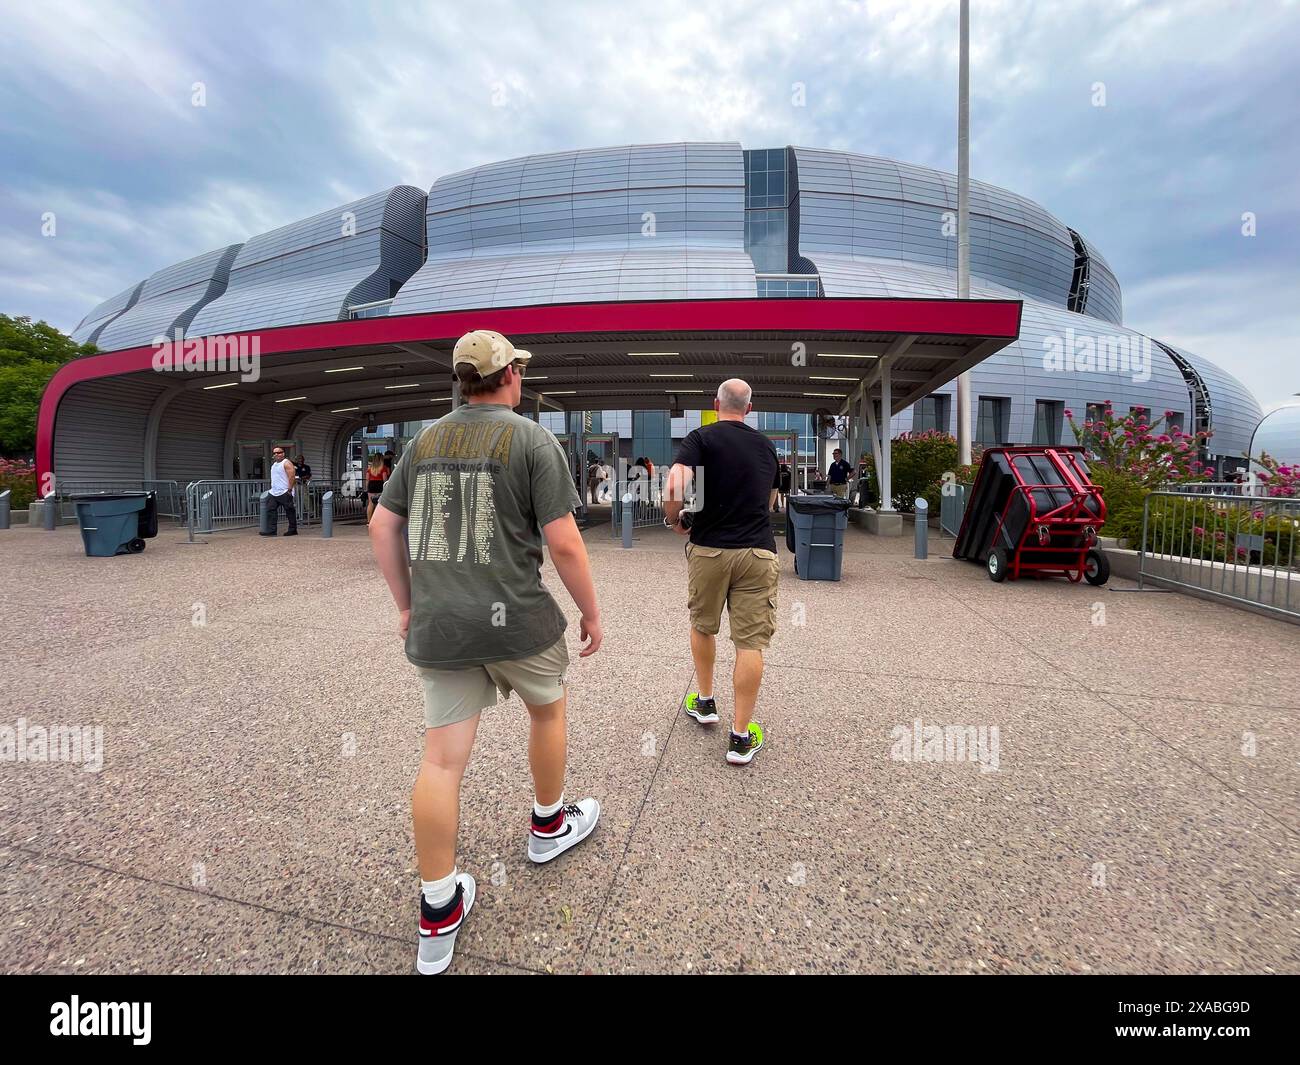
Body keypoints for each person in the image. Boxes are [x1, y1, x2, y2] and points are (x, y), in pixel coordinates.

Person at [369, 328, 602, 976]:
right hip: (518, 621)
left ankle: (438, 908)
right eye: (519, 371)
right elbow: (564, 544)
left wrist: (407, 603)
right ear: (510, 378)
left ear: (461, 382)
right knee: (547, 712)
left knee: (441, 760)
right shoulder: (531, 439)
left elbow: (383, 523)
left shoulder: (425, 441)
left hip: (443, 626)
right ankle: (548, 827)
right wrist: (590, 610)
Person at [663, 378, 780, 767]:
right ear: (750, 408)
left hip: (710, 549)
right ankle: (741, 738)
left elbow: (675, 482)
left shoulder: (701, 438)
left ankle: (706, 701)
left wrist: (674, 519)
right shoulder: (767, 446)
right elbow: (770, 500)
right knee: (750, 643)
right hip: (757, 552)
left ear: (716, 404)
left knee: (703, 624)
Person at [260, 445, 297, 536]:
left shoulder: (286, 463)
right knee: (270, 510)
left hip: (285, 491)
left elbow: (292, 476)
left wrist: (289, 489)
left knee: (289, 511)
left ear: (283, 453)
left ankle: (293, 529)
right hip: (274, 492)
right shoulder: (274, 465)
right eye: (275, 453)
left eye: (279, 452)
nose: (276, 454)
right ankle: (272, 530)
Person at [365, 453, 389, 522]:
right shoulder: (383, 468)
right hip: (380, 485)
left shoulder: (369, 468)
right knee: (380, 503)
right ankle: (379, 521)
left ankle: (369, 521)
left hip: (371, 485)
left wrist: (367, 488)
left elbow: (367, 479)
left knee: (370, 503)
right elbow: (385, 479)